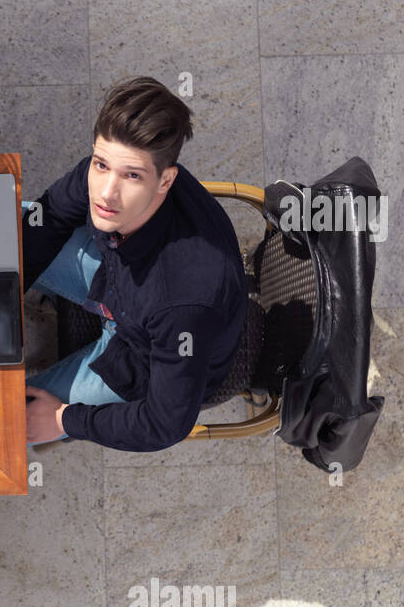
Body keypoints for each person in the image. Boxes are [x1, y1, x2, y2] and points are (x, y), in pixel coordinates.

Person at [22, 77, 247, 450]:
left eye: (132, 177)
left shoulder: (184, 305)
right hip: (114, 279)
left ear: (166, 180)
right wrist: (2, 288)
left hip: (142, 357)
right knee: (5, 233)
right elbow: (51, 215)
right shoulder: (114, 164)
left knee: (6, 423)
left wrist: (65, 418)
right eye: (100, 164)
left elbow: (164, 424)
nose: (107, 192)